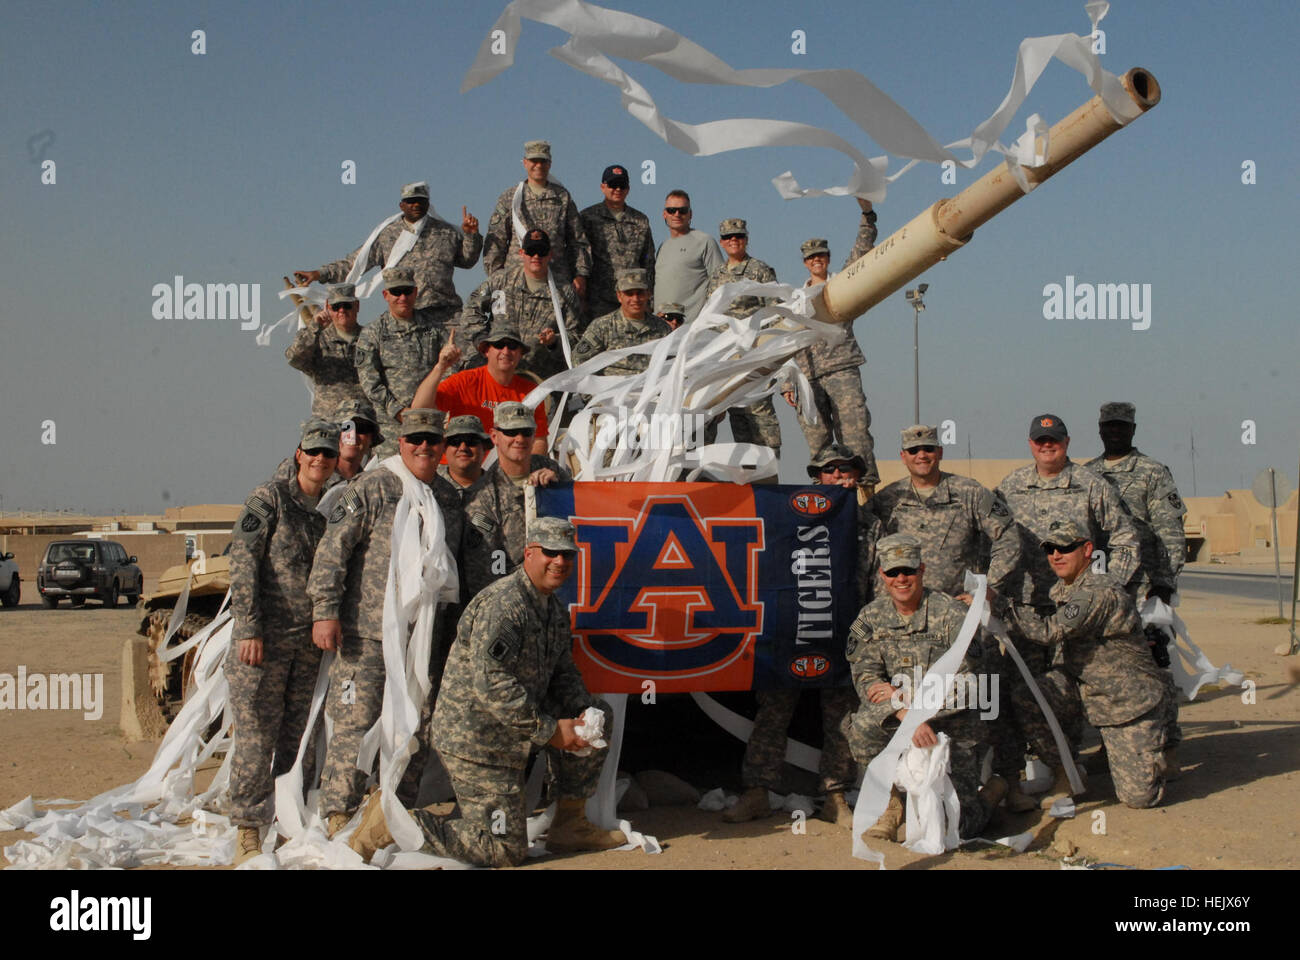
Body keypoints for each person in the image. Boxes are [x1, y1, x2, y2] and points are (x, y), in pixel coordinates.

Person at [348, 517, 626, 867]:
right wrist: (552, 731)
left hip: (513, 729)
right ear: (529, 554)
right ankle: (391, 822)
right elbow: (492, 685)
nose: (560, 562)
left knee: (600, 715)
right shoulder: (505, 606)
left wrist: (582, 713)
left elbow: (562, 672)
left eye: (567, 555)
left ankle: (570, 823)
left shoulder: (551, 608)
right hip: (478, 740)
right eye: (551, 553)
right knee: (502, 850)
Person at [307, 409, 455, 833]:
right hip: (365, 634)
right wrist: (325, 612)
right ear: (400, 443)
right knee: (356, 721)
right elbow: (333, 552)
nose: (424, 447)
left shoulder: (444, 498)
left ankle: (394, 815)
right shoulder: (370, 488)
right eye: (415, 439)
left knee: (416, 726)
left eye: (432, 439)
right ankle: (338, 812)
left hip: (421, 638)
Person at [869, 424, 1030, 809]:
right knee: (907, 703)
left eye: (929, 448)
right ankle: (906, 793)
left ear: (939, 453)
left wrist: (987, 585)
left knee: (990, 698)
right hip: (908, 626)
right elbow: (862, 543)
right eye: (914, 450)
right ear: (903, 456)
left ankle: (1009, 780)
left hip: (962, 623)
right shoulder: (885, 501)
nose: (922, 455)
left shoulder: (969, 493)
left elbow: (1008, 534)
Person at [723, 444, 879, 827]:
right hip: (792, 630)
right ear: (817, 479)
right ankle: (757, 790)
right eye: (831, 471)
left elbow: (878, 581)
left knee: (841, 716)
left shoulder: (870, 524)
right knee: (774, 711)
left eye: (847, 471)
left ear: (857, 478)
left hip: (845, 635)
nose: (839, 477)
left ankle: (834, 795)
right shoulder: (789, 514)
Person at [996, 413, 1140, 805]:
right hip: (1025, 612)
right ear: (1030, 444)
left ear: (1067, 442)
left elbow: (1125, 537)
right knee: (1018, 692)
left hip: (1072, 614)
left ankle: (1066, 772)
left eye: (1054, 440)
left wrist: (1106, 585)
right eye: (1040, 441)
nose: (1047, 446)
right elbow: (990, 539)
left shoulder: (1092, 485)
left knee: (1063, 694)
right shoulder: (1009, 487)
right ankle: (1018, 777)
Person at [997, 520, 1174, 809]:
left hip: (1126, 700)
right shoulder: (1064, 589)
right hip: (1085, 687)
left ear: (1088, 549)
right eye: (1051, 549)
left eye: (1065, 548)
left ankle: (1160, 739)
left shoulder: (1098, 591)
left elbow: (1050, 631)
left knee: (1139, 798)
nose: (1056, 555)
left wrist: (1000, 605)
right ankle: (1066, 771)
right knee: (1030, 696)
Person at [844, 534, 1008, 842]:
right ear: (882, 575)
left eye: (908, 570)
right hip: (902, 719)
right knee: (862, 724)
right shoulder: (869, 618)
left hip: (952, 723)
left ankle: (991, 795)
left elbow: (969, 681)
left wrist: (914, 709)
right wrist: (905, 713)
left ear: (922, 569)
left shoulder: (950, 614)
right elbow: (865, 677)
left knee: (951, 829)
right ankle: (891, 805)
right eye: (893, 572)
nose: (901, 578)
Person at [227, 419, 339, 864]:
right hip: (264, 644)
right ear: (299, 454)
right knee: (257, 737)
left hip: (307, 648)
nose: (319, 460)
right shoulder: (269, 498)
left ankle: (288, 822)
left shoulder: (330, 509)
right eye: (312, 451)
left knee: (299, 740)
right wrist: (248, 627)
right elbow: (243, 561)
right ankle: (248, 830)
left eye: (327, 454)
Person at [1084, 401, 1187, 775]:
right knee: (1107, 670)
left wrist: (1163, 584)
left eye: (1121, 426)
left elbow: (1170, 533)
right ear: (1099, 429)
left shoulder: (1152, 472)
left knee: (1155, 666)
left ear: (1133, 429)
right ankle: (1114, 744)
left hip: (1145, 589)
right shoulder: (1088, 474)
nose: (1115, 432)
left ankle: (1167, 744)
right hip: (1107, 589)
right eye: (1109, 426)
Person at [780, 201, 881, 487]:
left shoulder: (840, 286)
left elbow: (862, 256)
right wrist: (788, 383)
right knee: (818, 440)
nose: (817, 260)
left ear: (828, 257)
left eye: (821, 255)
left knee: (856, 433)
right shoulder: (795, 299)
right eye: (812, 257)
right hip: (807, 376)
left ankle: (865, 493)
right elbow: (783, 343)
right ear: (805, 262)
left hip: (841, 368)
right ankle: (824, 497)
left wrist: (867, 219)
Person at [295, 181, 482, 318]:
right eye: (411, 201)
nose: (416, 204)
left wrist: (471, 235)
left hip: (446, 313)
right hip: (406, 316)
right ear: (402, 205)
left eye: (420, 200)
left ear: (428, 203)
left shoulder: (445, 231)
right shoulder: (387, 235)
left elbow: (467, 261)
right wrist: (319, 274)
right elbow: (355, 263)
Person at [462, 402, 570, 598]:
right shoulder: (482, 498)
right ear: (494, 436)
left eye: (526, 432)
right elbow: (485, 570)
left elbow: (581, 515)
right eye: (511, 432)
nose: (519, 439)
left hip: (561, 590)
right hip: (512, 597)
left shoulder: (551, 470)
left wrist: (559, 489)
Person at [353, 266, 462, 456]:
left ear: (416, 292)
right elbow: (371, 383)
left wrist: (439, 408)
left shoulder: (433, 328)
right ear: (386, 295)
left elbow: (448, 370)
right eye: (396, 292)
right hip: (391, 428)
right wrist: (400, 412)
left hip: (430, 422)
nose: (402, 297)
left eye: (407, 291)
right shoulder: (373, 333)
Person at [460, 228, 584, 384]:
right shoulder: (500, 281)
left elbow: (577, 336)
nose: (536, 256)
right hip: (500, 375)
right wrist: (484, 342)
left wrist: (554, 342)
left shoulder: (565, 292)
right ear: (521, 253)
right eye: (531, 251)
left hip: (542, 380)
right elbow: (471, 310)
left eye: (542, 251)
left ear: (550, 254)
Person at [703, 218, 782, 460]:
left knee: (760, 413)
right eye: (728, 237)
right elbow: (712, 319)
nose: (733, 241)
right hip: (728, 359)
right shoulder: (716, 277)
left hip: (756, 355)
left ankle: (769, 470)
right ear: (722, 242)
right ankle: (749, 474)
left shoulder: (760, 270)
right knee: (738, 416)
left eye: (738, 236)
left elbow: (777, 312)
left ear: (746, 239)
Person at [411, 320, 548, 455]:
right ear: (486, 351)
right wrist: (440, 367)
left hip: (506, 472)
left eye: (512, 346)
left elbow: (539, 440)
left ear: (520, 354)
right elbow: (419, 410)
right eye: (499, 345)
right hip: (459, 467)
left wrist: (529, 472)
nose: (506, 351)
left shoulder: (532, 393)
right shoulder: (464, 381)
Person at [484, 140, 591, 299]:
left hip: (556, 279)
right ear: (525, 163)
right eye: (534, 161)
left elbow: (577, 240)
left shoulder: (562, 197)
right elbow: (497, 239)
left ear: (550, 164)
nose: (538, 166)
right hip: (515, 279)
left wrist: (580, 274)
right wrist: (496, 276)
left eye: (543, 161)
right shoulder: (510, 197)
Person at [580, 164, 656, 320]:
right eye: (613, 185)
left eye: (622, 185)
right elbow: (581, 256)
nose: (617, 190)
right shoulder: (588, 217)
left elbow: (648, 261)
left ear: (628, 189)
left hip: (632, 297)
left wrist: (648, 297)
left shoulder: (640, 220)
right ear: (603, 187)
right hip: (599, 299)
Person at [285, 283, 367, 419]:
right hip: (329, 424)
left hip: (364, 425)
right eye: (336, 306)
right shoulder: (317, 340)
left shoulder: (372, 337)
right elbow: (294, 359)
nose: (342, 310)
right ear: (328, 307)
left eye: (347, 305)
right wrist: (314, 328)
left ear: (357, 306)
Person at [570, 268, 671, 377]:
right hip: (613, 391)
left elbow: (672, 363)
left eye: (640, 293)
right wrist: (592, 393)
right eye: (629, 293)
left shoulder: (662, 329)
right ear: (619, 296)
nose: (635, 299)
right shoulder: (603, 326)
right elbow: (579, 360)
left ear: (648, 294)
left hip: (650, 391)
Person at [654, 189, 723, 322]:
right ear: (664, 214)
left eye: (682, 210)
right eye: (671, 210)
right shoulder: (662, 247)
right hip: (662, 329)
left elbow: (720, 285)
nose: (677, 214)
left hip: (690, 328)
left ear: (690, 214)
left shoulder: (704, 241)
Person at [438, 414, 491, 499]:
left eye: (471, 441)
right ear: (444, 448)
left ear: (484, 448)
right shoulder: (426, 484)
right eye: (455, 442)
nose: (463, 448)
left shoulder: (501, 487)